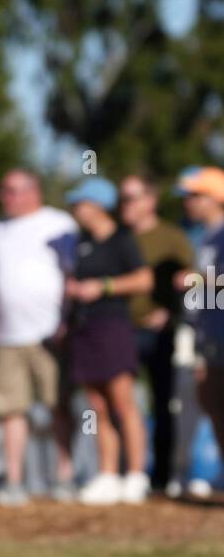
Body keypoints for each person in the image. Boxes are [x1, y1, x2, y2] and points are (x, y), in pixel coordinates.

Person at [0, 170, 77, 505]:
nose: (6, 197)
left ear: (34, 192)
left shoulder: (60, 223)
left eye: (13, 191)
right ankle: (14, 481)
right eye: (4, 191)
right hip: (8, 335)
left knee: (58, 404)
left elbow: (73, 274)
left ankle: (65, 475)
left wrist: (69, 320)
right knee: (10, 408)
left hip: (50, 333)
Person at [63, 177, 153, 505]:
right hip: (85, 328)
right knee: (97, 405)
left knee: (123, 402)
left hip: (113, 326)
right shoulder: (83, 242)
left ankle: (137, 474)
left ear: (98, 205)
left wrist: (104, 287)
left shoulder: (122, 239)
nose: (76, 209)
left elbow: (144, 279)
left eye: (81, 203)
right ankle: (109, 473)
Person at [119, 174, 194, 493]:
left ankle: (162, 476)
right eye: (122, 199)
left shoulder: (172, 237)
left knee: (164, 402)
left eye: (131, 198)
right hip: (121, 331)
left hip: (161, 332)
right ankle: (124, 472)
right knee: (118, 403)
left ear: (150, 200)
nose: (125, 206)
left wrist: (170, 312)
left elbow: (193, 283)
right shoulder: (119, 238)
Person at [174, 168, 224, 473]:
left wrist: (196, 279)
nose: (188, 202)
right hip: (210, 334)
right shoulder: (202, 237)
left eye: (195, 195)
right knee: (213, 402)